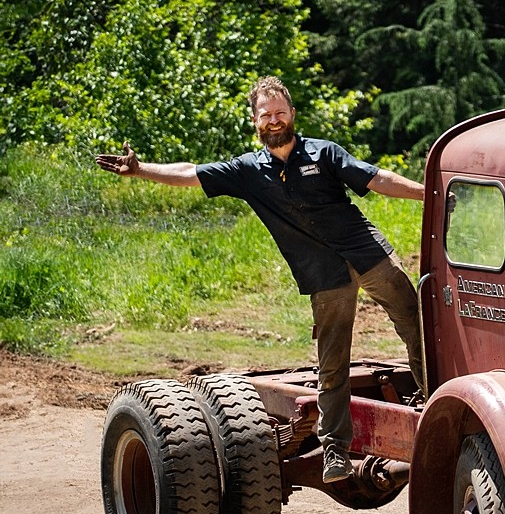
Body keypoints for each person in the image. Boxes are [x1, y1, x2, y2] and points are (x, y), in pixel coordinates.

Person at [95, 76, 426, 484]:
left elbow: (376, 178)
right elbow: (190, 173)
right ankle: (335, 451)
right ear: (255, 120)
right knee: (332, 364)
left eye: (280, 112)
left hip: (367, 253)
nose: (274, 120)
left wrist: (428, 191)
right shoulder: (247, 171)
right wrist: (141, 169)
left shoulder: (323, 152)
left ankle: (432, 409)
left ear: (292, 114)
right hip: (323, 274)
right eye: (266, 114)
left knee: (418, 327)